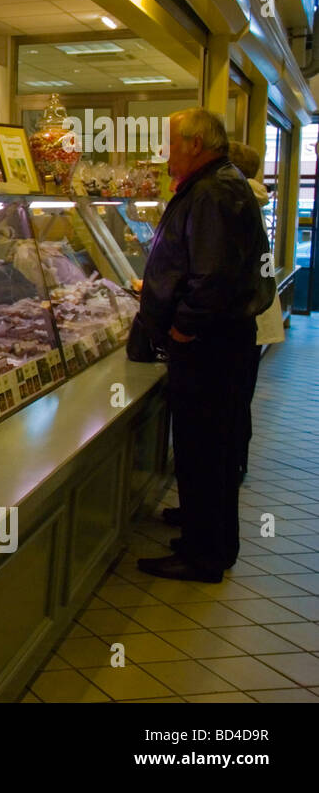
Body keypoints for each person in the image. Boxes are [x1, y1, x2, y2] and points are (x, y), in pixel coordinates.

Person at [129, 109, 274, 583]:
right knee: (205, 449)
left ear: (193, 144)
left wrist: (183, 328)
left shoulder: (212, 191)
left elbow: (212, 275)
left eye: (170, 144)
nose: (165, 155)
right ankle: (201, 532)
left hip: (210, 344)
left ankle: (205, 555)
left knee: (207, 449)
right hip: (220, 342)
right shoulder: (217, 184)